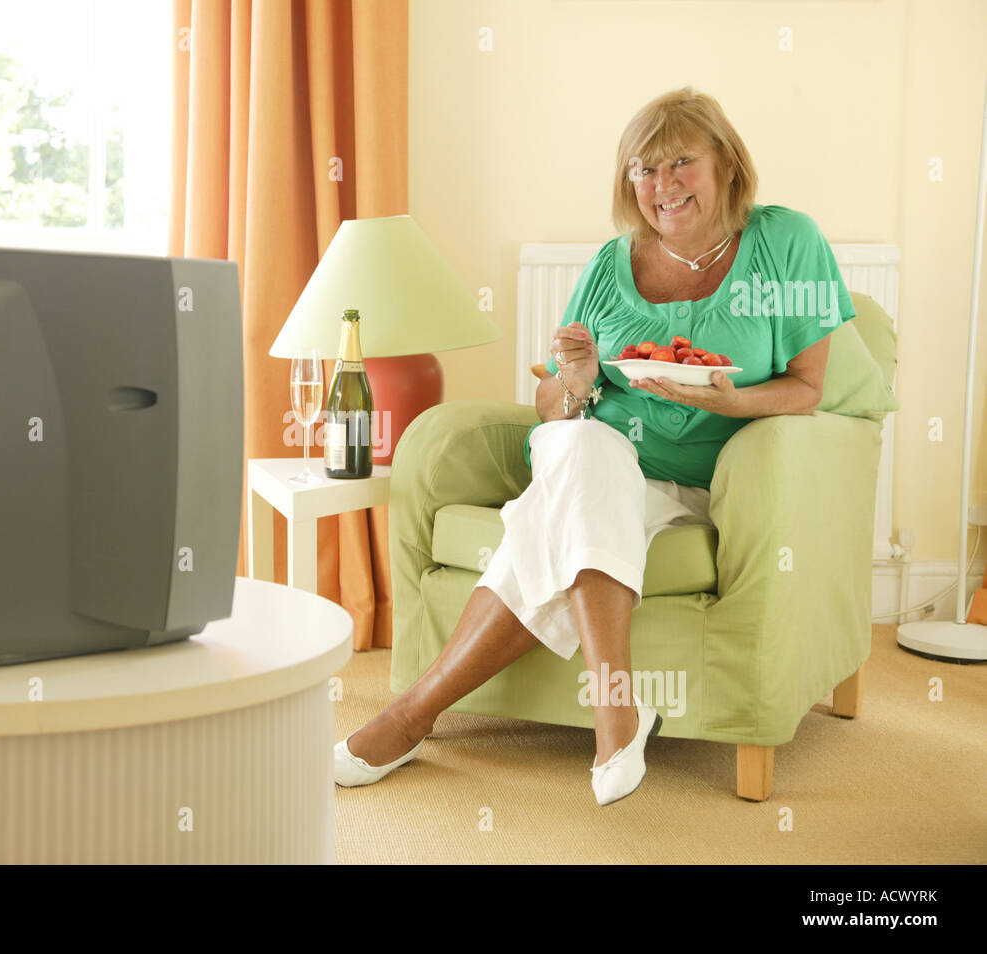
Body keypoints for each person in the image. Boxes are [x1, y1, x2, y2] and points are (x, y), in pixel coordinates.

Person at [333, 86, 855, 805]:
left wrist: (734, 402)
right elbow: (554, 407)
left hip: (706, 485)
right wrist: (575, 381)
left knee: (552, 517)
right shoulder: (611, 265)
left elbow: (807, 388)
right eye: (643, 169)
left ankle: (411, 714)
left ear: (727, 164)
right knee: (584, 450)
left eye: (680, 163)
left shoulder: (785, 241)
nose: (662, 186)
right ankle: (617, 709)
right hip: (599, 460)